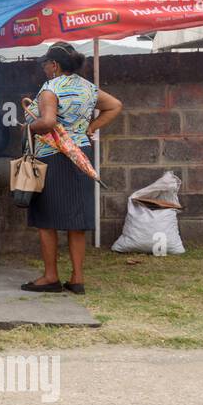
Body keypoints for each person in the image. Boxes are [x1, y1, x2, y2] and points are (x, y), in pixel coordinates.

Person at [23, 42, 123, 295]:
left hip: (53, 158)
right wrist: (90, 128)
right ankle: (77, 278)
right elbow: (115, 105)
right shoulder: (89, 88)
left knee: (47, 220)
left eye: (46, 64)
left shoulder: (50, 89)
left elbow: (47, 122)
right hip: (81, 158)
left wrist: (26, 128)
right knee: (76, 222)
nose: (45, 69)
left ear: (54, 65)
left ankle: (50, 276)